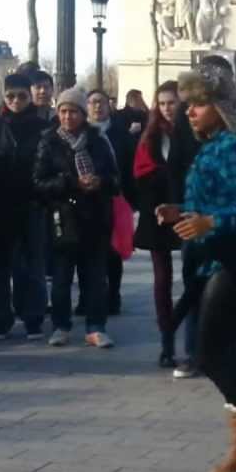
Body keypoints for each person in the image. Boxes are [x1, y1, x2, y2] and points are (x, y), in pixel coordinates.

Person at [156, 69, 236, 472]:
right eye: (187, 105)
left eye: (197, 104)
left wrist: (210, 222)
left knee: (211, 352)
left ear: (221, 108)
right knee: (218, 352)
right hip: (214, 259)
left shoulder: (232, 145)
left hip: (234, 260)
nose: (188, 112)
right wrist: (181, 214)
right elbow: (217, 201)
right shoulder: (211, 146)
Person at [34, 87, 119, 348]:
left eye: (73, 111)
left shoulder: (98, 141)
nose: (68, 117)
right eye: (63, 111)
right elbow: (38, 182)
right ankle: (61, 324)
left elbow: (116, 180)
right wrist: (71, 182)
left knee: (94, 278)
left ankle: (96, 326)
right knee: (60, 279)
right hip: (63, 218)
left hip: (94, 217)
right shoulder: (49, 141)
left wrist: (99, 181)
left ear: (83, 114)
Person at [133, 81, 199, 371]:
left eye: (172, 102)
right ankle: (166, 342)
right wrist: (156, 205)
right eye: (162, 103)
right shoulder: (149, 137)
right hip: (157, 214)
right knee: (162, 282)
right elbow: (140, 178)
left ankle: (192, 342)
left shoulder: (193, 134)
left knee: (191, 279)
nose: (167, 108)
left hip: (186, 212)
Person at [0, 73, 49, 340]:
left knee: (32, 266)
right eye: (11, 96)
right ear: (4, 96)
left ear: (29, 96)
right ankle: (1, 317)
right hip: (1, 207)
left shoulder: (43, 129)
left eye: (22, 96)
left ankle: (32, 317)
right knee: (0, 268)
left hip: (33, 204)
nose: (16, 101)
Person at [86, 89, 136, 317]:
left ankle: (113, 295)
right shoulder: (81, 133)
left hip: (116, 199)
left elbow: (130, 168)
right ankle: (88, 297)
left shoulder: (121, 134)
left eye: (101, 102)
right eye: (93, 102)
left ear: (110, 106)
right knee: (88, 253)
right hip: (87, 201)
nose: (97, 107)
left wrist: (132, 199)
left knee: (114, 251)